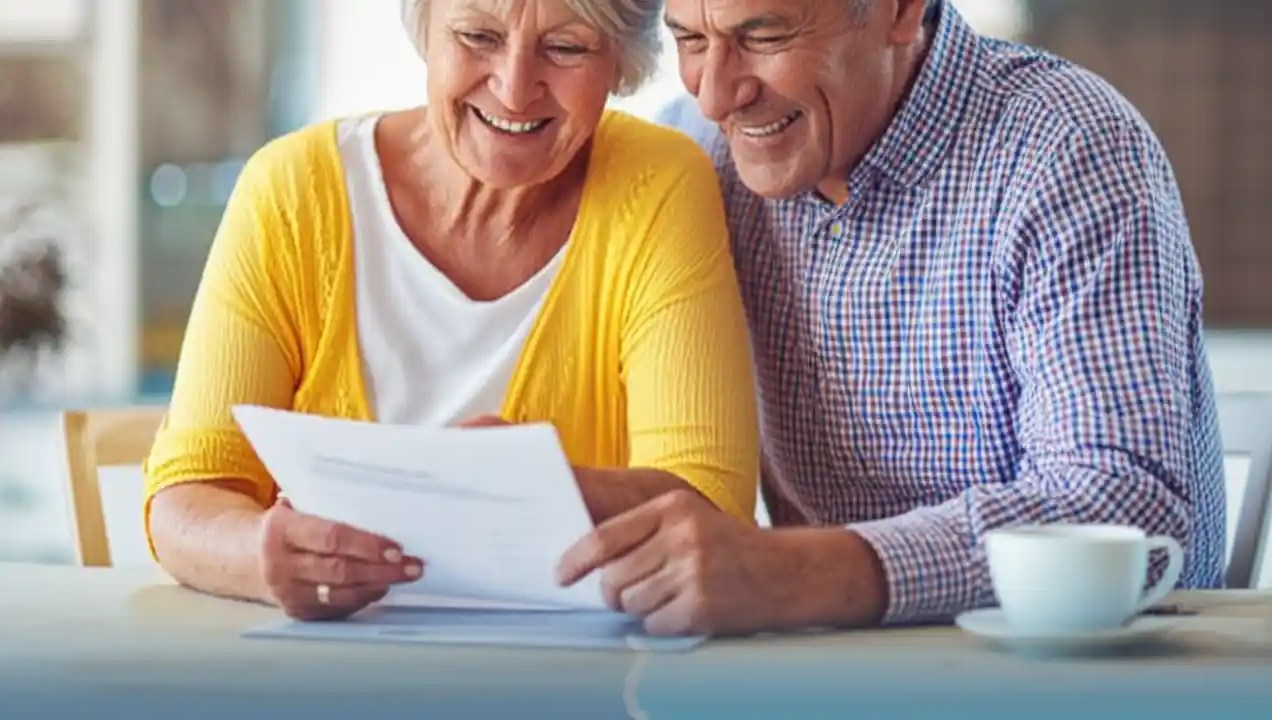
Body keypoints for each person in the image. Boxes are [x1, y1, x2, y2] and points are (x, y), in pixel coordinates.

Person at [556, 0, 1226, 635]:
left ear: (901, 10)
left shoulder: (1069, 147)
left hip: (1081, 675)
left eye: (764, 36)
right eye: (691, 40)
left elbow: (1119, 503)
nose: (716, 95)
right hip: (835, 672)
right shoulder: (695, 153)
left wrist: (795, 574)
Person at [143, 0, 759, 621]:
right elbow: (188, 495)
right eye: (477, 36)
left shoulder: (658, 186)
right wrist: (257, 556)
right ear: (427, 32)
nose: (515, 90)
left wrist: (532, 485)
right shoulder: (290, 192)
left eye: (566, 48)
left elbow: (710, 506)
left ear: (620, 61)